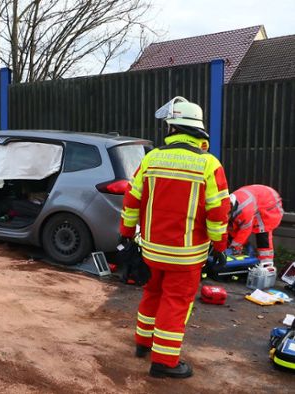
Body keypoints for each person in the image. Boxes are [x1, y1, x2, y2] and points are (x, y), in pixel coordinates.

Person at [119, 96, 231, 378]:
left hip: (151, 250)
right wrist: (220, 246)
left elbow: (132, 200)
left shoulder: (152, 158)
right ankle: (164, 363)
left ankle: (142, 345)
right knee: (175, 303)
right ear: (199, 131)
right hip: (186, 255)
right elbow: (218, 212)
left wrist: (127, 234)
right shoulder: (209, 165)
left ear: (172, 128)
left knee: (152, 294)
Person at [228, 185, 284, 263]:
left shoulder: (245, 210)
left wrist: (235, 246)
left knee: (263, 233)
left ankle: (266, 265)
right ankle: (243, 254)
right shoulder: (229, 204)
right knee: (235, 232)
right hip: (259, 198)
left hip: (270, 203)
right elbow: (232, 228)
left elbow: (245, 230)